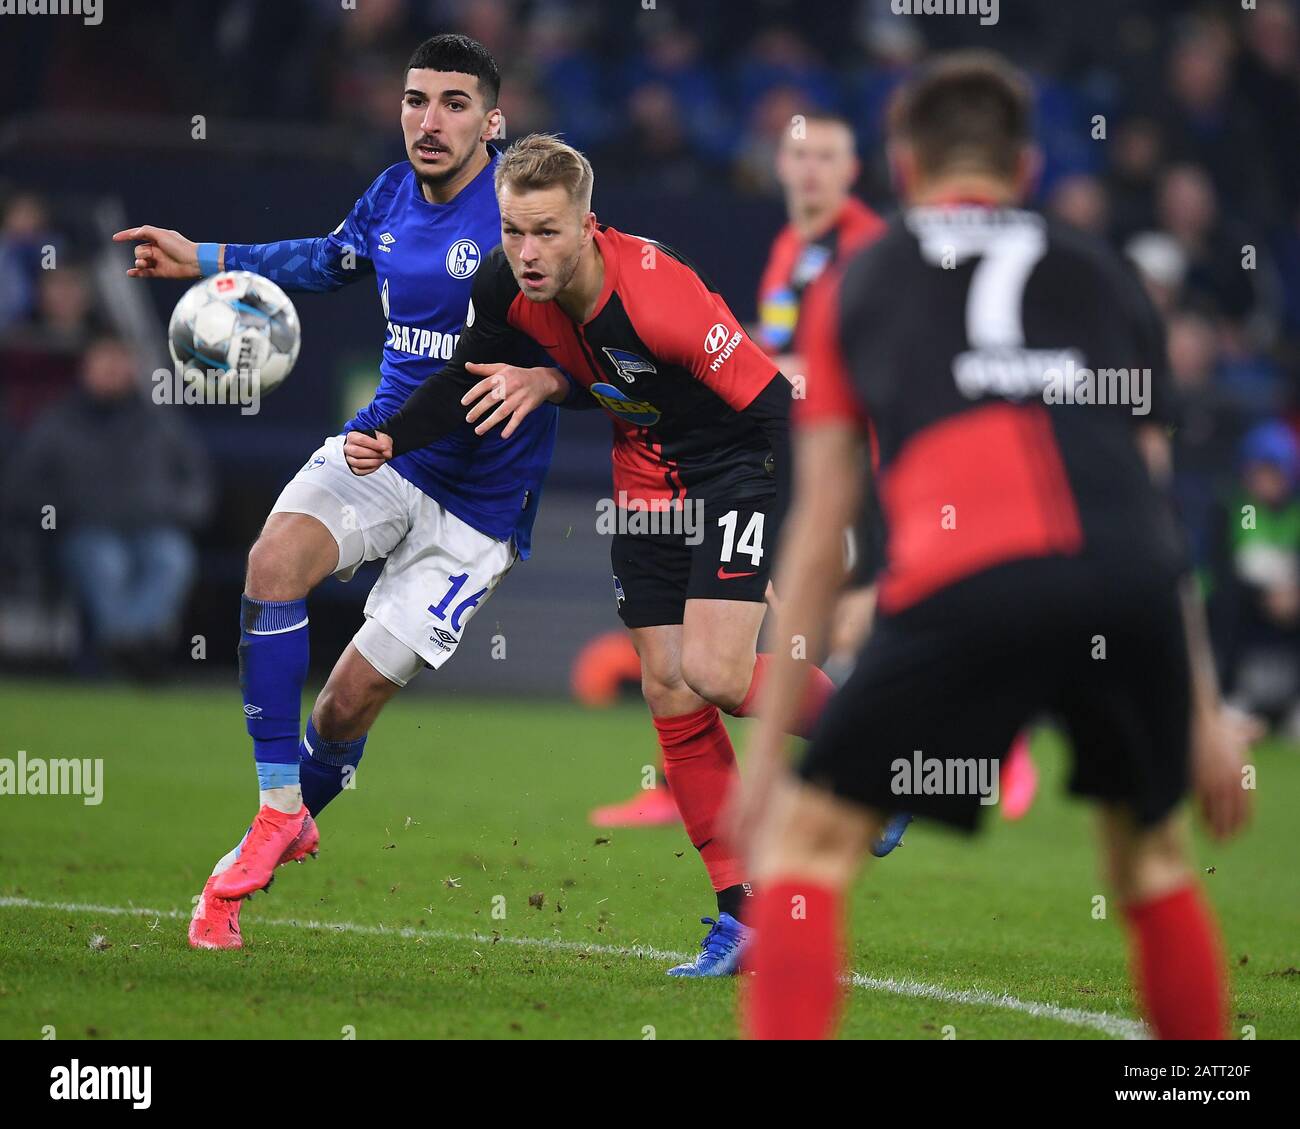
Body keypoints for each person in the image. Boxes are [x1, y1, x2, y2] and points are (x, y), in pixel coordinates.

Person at [731, 51, 1257, 1039]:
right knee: (1150, 860)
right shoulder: (1105, 273)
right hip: (1126, 582)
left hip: (968, 576)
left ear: (901, 163)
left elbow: (817, 526)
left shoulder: (859, 278)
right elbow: (1151, 500)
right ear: (1024, 171)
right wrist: (1206, 709)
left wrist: (763, 758)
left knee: (808, 851)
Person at [345, 133, 838, 976]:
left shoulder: (657, 295)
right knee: (666, 682)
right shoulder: (504, 284)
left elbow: (768, 407)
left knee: (720, 673)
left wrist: (783, 545)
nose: (527, 253)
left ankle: (867, 745)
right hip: (645, 466)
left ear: (586, 225)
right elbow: (473, 371)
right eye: (512, 231)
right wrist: (388, 435)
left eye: (546, 232)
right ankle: (742, 915)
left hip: (733, 460)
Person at [113, 34, 563, 949]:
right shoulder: (393, 194)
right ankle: (278, 810)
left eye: (451, 103)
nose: (428, 121)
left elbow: (585, 327)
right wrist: (203, 257)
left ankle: (259, 845)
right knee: (273, 561)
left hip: (480, 502)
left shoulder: (520, 219)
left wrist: (555, 381)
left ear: (492, 120)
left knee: (346, 706)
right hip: (382, 451)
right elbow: (329, 259)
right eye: (414, 100)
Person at [7, 335, 210, 671]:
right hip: (85, 532)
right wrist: (63, 513)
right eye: (104, 363)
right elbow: (22, 486)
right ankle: (136, 652)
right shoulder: (57, 422)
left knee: (172, 557)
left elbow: (197, 481)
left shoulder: (158, 422)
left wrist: (176, 511)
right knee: (105, 561)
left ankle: (123, 645)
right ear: (85, 368)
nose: (112, 372)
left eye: (119, 362)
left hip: (152, 528)